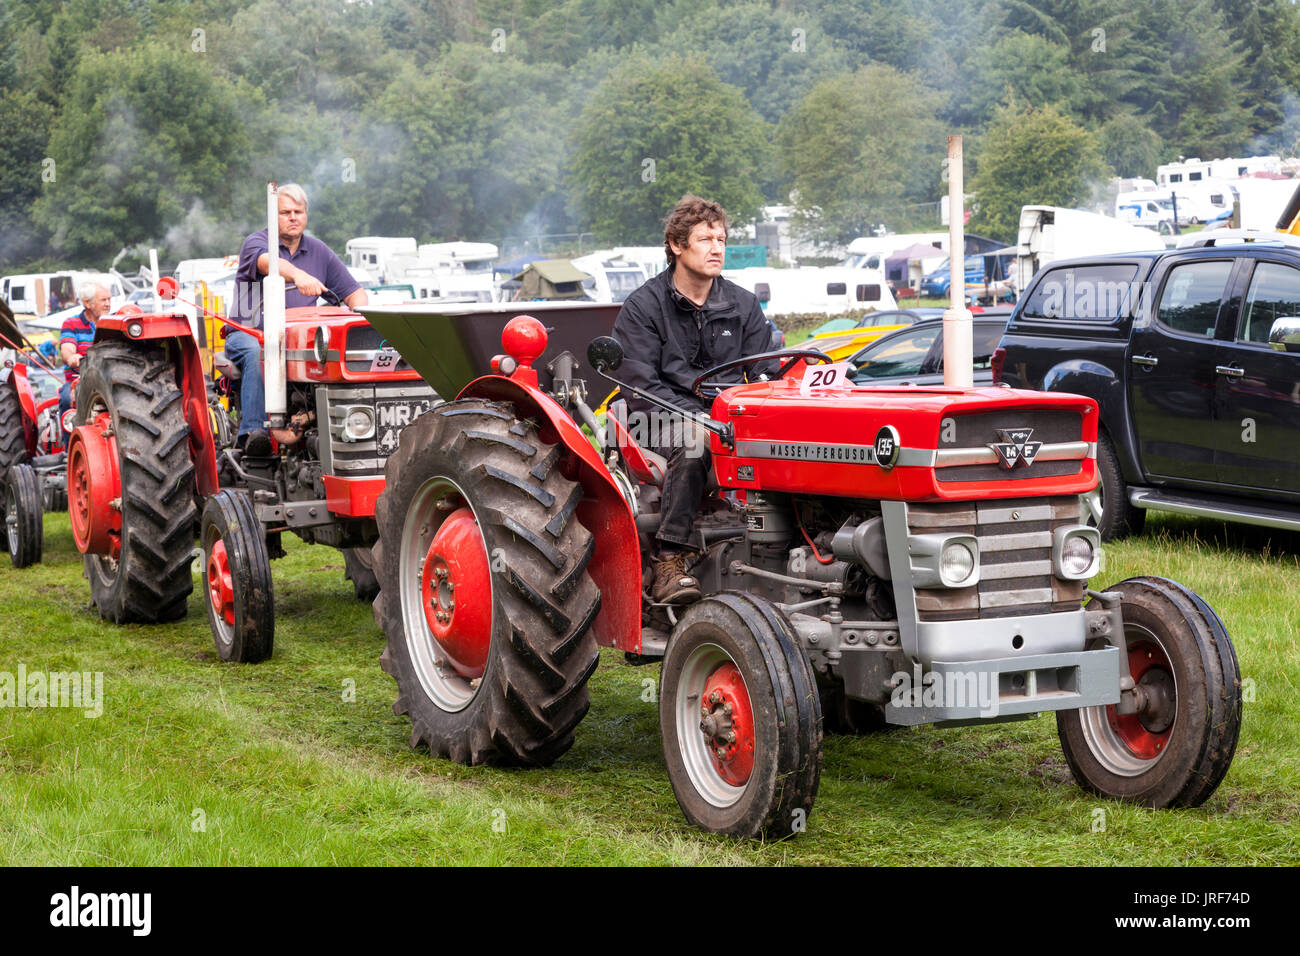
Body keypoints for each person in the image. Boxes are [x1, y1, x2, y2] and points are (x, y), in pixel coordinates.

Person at [612, 195, 775, 604]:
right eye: (705, 239)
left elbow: (763, 375)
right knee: (695, 439)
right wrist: (706, 418)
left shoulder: (742, 305)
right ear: (676, 245)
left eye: (721, 238)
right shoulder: (643, 307)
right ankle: (668, 560)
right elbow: (639, 386)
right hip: (653, 420)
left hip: (726, 418)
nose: (717, 248)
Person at [228, 183, 367, 455]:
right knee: (261, 351)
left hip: (298, 341)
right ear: (272, 216)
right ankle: (253, 436)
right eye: (285, 212)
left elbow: (356, 294)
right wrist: (298, 275)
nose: (293, 217)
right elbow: (269, 264)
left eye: (298, 212)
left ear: (306, 215)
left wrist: (359, 314)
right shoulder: (256, 244)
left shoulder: (319, 251)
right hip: (249, 332)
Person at [58, 282, 112, 423]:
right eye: (103, 300)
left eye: (109, 299)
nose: (108, 304)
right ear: (87, 303)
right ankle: (69, 441)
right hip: (78, 380)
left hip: (109, 381)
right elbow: (67, 350)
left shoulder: (113, 324)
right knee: (66, 399)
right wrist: (72, 357)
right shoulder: (71, 323)